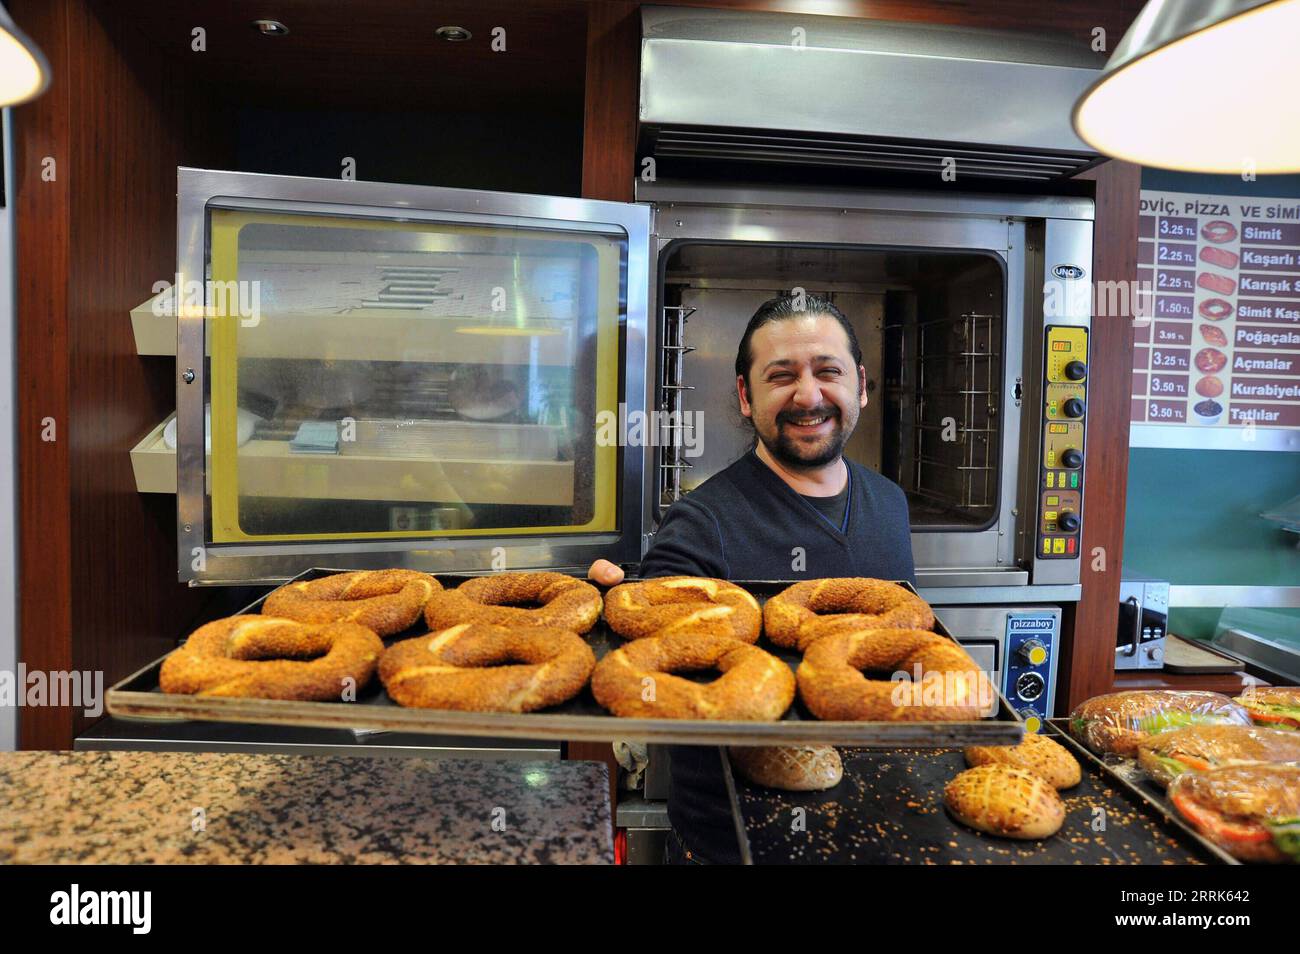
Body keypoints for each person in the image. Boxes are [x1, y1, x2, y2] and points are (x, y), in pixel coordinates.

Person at [588, 292, 916, 864]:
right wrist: (615, 608)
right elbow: (654, 653)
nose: (809, 394)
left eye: (828, 371)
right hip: (737, 842)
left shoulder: (888, 503)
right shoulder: (704, 519)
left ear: (860, 384)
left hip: (876, 828)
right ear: (746, 396)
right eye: (781, 376)